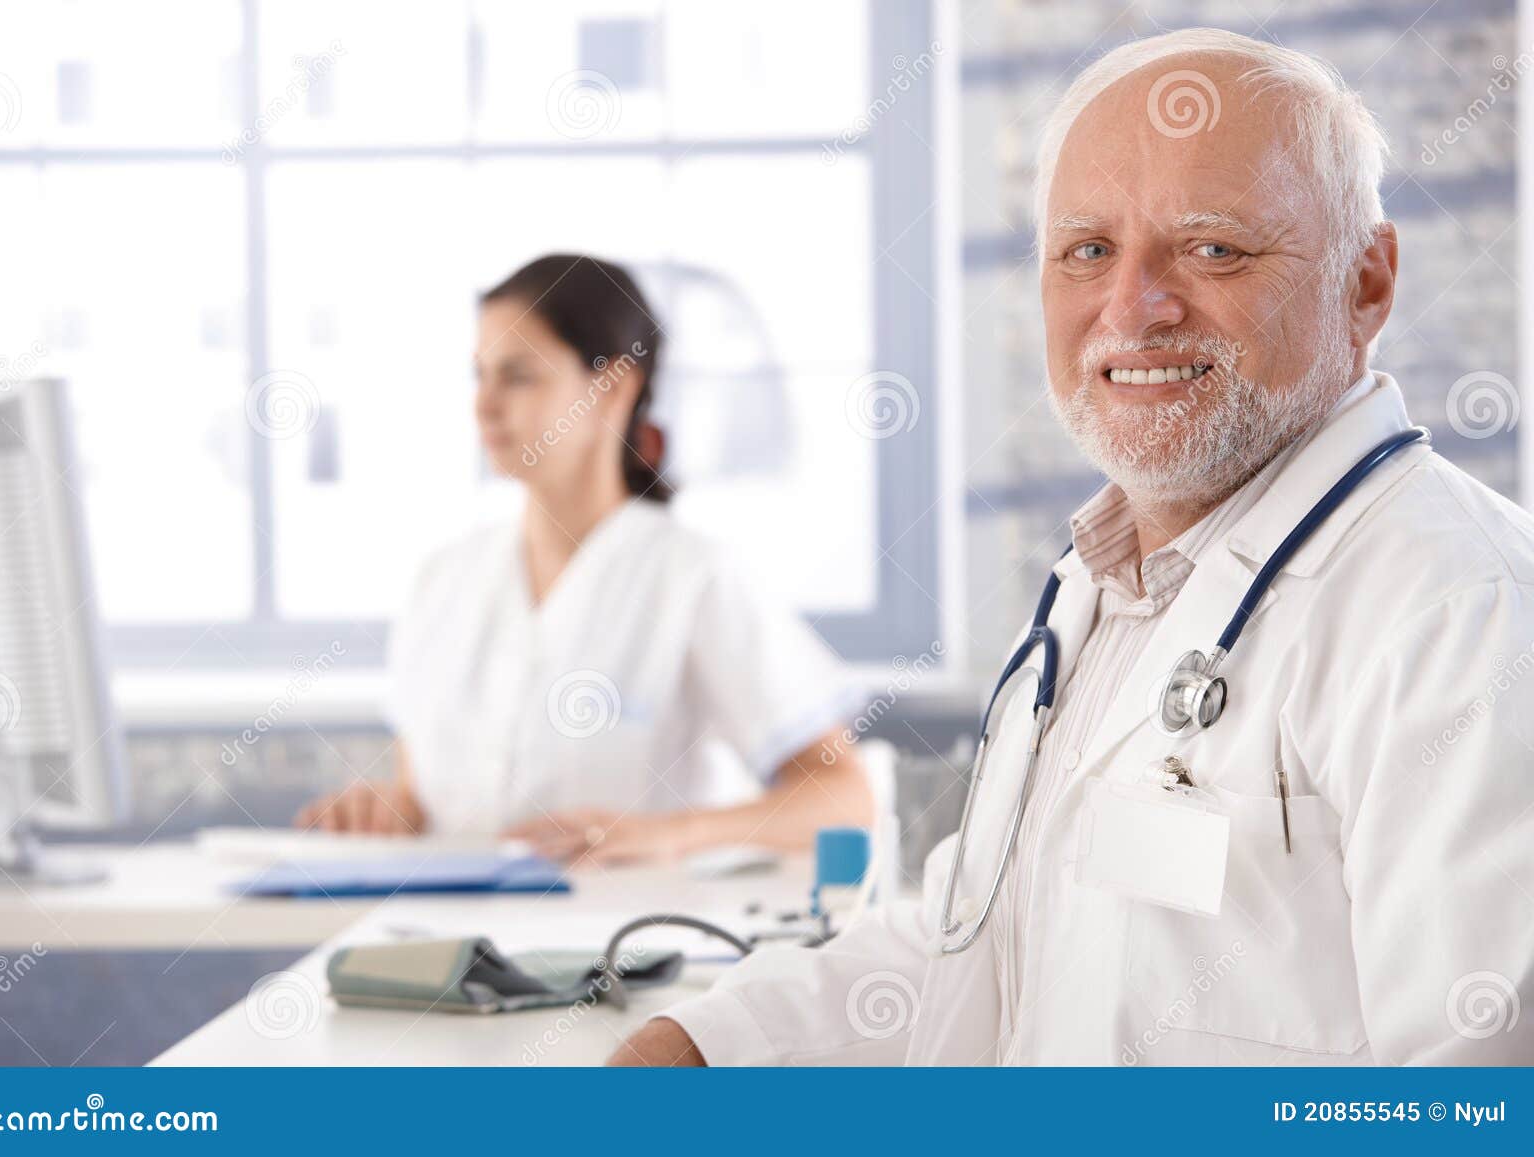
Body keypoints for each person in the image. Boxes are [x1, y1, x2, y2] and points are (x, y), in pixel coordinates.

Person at [611, 28, 1534, 1064]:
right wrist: (694, 1044)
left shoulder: (1463, 611)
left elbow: (1475, 1099)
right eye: (1087, 251)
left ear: (1366, 282)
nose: (1132, 307)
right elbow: (981, 935)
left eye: (1213, 247)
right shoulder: (1099, 585)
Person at [295, 254, 873, 863]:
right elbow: (420, 798)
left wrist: (670, 835)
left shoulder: (693, 577)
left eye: (518, 377)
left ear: (612, 390)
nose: (484, 406)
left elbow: (843, 798)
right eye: (479, 376)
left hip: (631, 947)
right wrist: (386, 813)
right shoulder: (443, 579)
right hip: (445, 944)